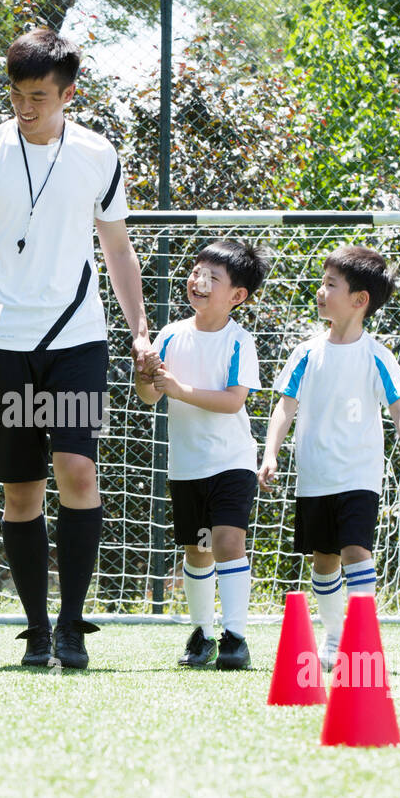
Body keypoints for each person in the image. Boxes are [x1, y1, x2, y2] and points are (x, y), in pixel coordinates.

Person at [0, 28, 152, 669]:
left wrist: (138, 329)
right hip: (4, 344)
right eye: (18, 94)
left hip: (78, 339)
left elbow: (118, 249)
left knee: (78, 472)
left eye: (39, 96)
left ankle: (73, 625)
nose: (25, 107)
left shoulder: (98, 154)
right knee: (21, 490)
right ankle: (36, 628)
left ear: (68, 94)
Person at [259, 246, 400, 672]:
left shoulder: (378, 355)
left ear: (360, 300)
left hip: (359, 476)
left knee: (356, 550)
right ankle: (334, 636)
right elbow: (285, 406)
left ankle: (360, 637)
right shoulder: (306, 352)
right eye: (322, 283)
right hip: (315, 476)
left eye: (331, 285)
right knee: (324, 559)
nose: (321, 292)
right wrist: (270, 453)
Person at [135, 240, 269, 669]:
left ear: (237, 296)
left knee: (229, 542)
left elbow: (233, 401)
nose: (199, 281)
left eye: (213, 277)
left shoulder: (239, 341)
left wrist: (178, 389)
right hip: (187, 465)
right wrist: (145, 376)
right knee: (197, 551)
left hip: (232, 462)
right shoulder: (171, 334)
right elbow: (149, 398)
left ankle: (235, 637)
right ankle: (203, 633)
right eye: (197, 271)